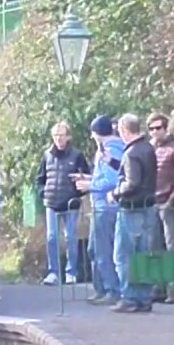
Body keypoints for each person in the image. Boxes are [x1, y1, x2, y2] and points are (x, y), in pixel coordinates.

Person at [110, 113, 158, 313]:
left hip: (131, 208)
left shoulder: (131, 154)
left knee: (123, 256)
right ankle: (144, 297)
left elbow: (132, 182)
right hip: (148, 206)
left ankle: (129, 297)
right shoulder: (148, 149)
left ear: (124, 130)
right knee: (143, 255)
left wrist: (116, 192)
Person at [74, 115, 124, 305]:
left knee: (103, 249)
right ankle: (102, 288)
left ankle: (112, 289)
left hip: (106, 206)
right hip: (101, 205)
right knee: (94, 249)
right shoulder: (114, 149)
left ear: (95, 134)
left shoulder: (110, 150)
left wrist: (90, 185)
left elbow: (111, 180)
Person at [34, 122, 90, 286]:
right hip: (52, 202)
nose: (59, 138)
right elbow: (40, 179)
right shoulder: (47, 155)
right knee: (52, 238)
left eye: (62, 135)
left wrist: (78, 193)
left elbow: (85, 176)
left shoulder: (77, 155)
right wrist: (43, 192)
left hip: (70, 203)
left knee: (71, 237)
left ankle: (71, 272)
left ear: (68, 137)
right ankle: (53, 272)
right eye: (56, 135)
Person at [147, 112, 174, 304]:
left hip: (169, 203)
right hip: (153, 202)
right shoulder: (150, 149)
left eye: (158, 128)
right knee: (155, 247)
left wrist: (172, 199)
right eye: (151, 129)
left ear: (165, 128)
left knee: (172, 248)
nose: (155, 132)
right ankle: (158, 287)